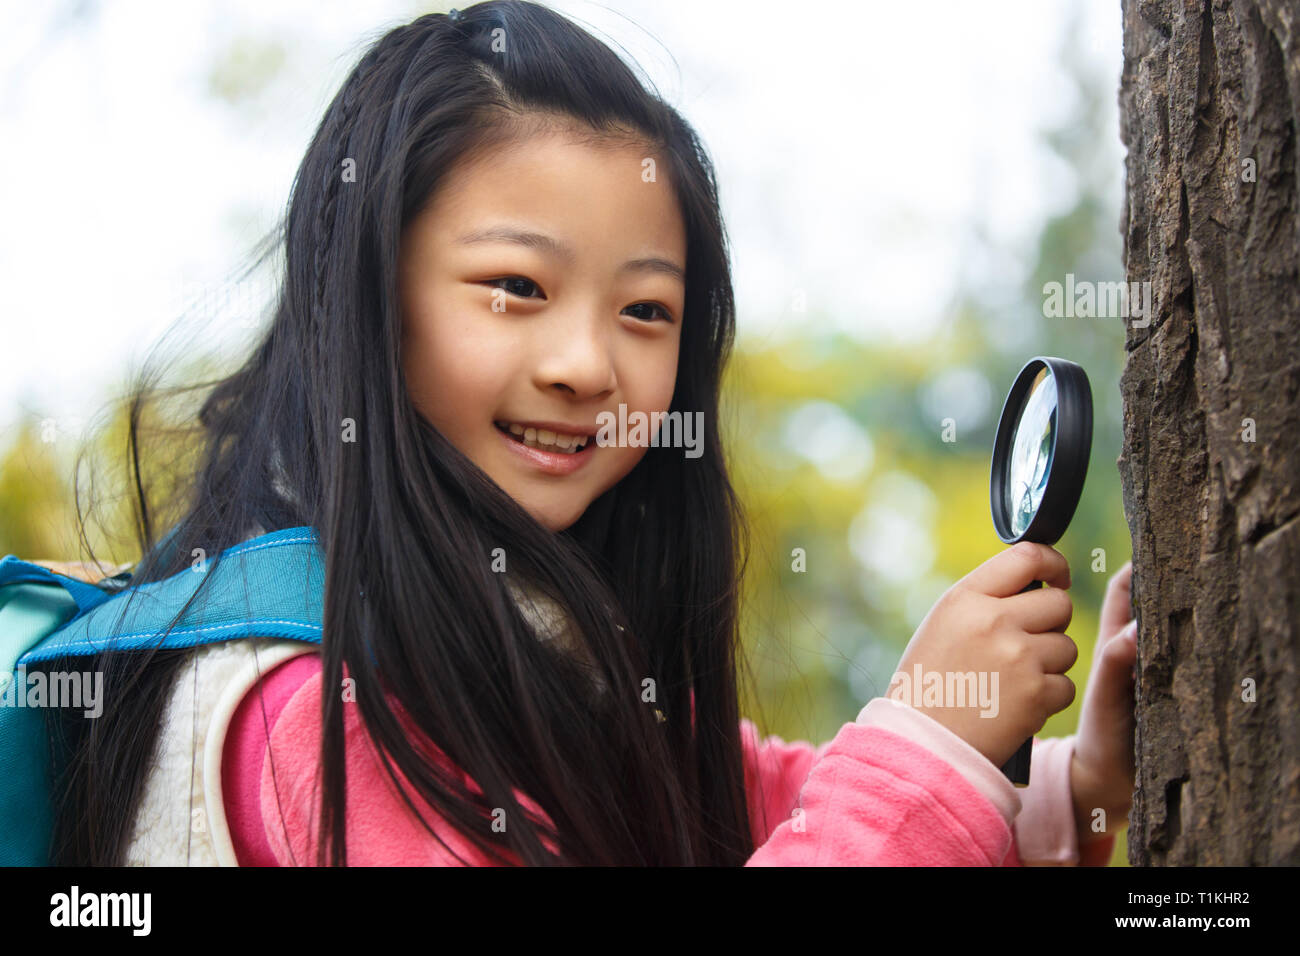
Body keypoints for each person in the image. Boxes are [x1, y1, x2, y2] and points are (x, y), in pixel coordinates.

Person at [46, 1, 1137, 866]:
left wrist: (1061, 785)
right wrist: (926, 755)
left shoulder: (529, 634)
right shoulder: (315, 715)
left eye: (645, 309)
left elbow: (739, 801)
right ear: (366, 297)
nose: (586, 364)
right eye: (516, 285)